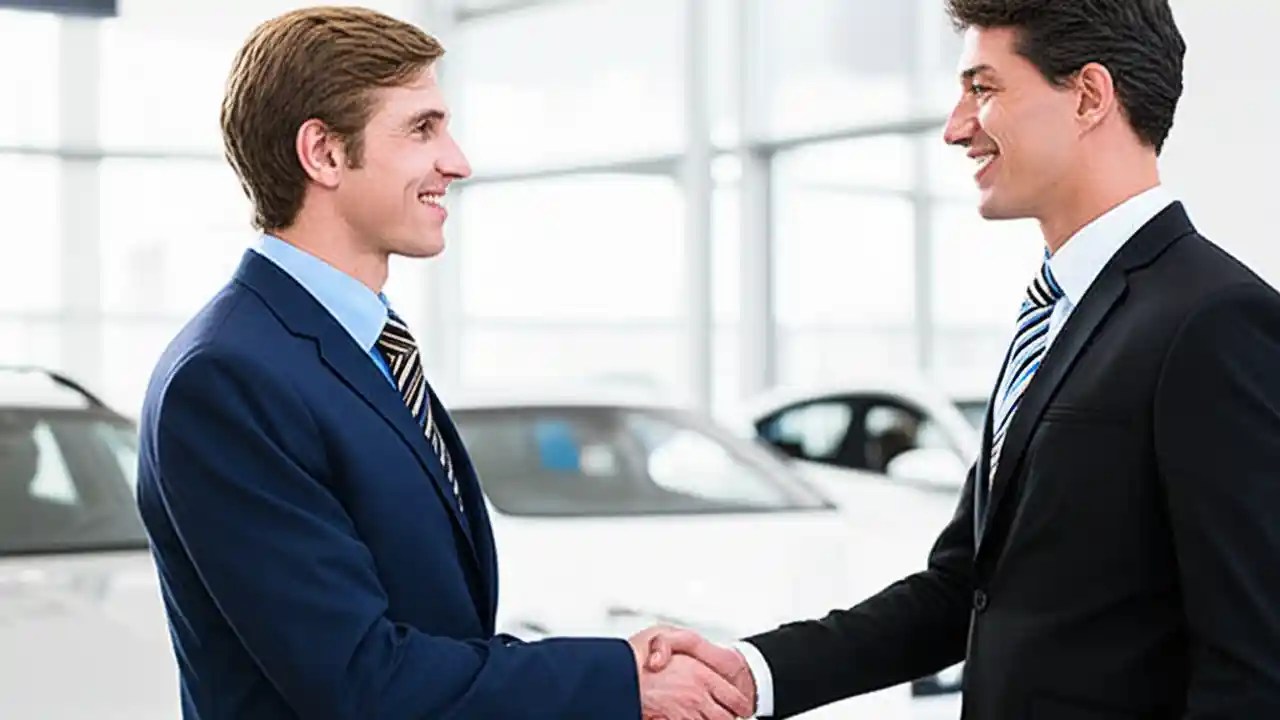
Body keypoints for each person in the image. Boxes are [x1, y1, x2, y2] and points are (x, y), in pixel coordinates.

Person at [648, 0, 1280, 717]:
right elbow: (964, 589)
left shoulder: (1215, 321)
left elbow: (1256, 663)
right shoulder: (1056, 314)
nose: (955, 128)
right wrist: (751, 674)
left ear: (1089, 96)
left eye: (984, 89)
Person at [133, 7, 750, 719]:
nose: (457, 161)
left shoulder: (359, 345)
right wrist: (616, 682)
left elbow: (432, 629)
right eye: (422, 128)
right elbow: (361, 679)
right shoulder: (228, 378)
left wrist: (612, 661)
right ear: (324, 154)